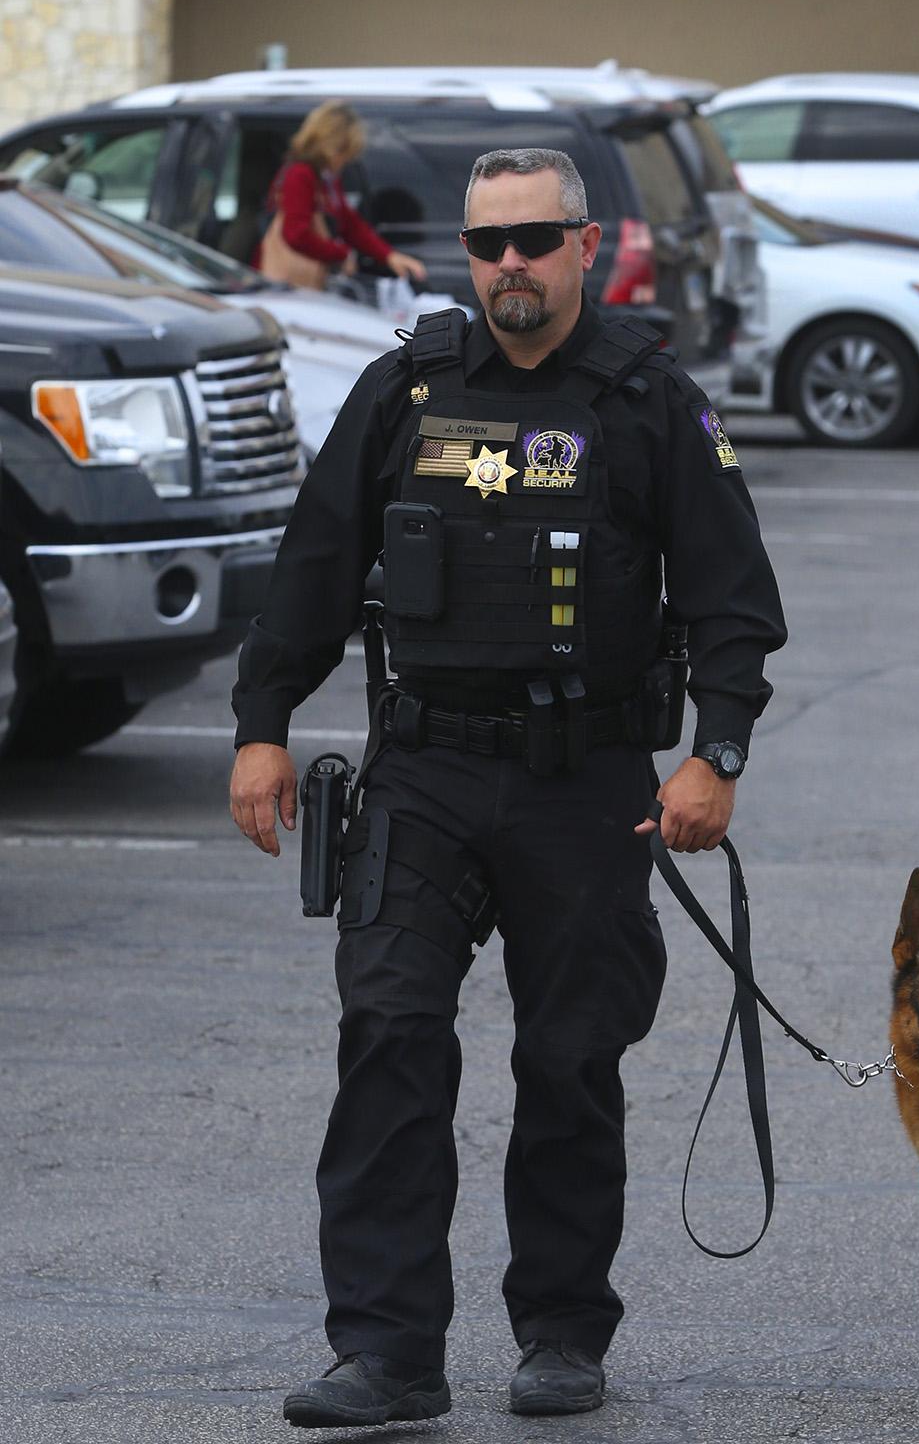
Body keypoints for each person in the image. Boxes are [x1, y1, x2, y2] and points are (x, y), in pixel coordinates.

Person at [229, 146, 786, 1428]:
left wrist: (716, 753)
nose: (510, 263)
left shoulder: (650, 400)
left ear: (585, 245)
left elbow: (732, 600)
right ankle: (386, 1353)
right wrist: (262, 724)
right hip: (423, 769)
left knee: (569, 1055)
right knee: (389, 1032)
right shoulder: (407, 386)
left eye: (535, 238)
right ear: (465, 255)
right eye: (487, 244)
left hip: (582, 780)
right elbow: (315, 565)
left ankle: (562, 1329)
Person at [259, 98, 427, 290]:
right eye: (345, 152)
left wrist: (388, 255)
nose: (346, 161)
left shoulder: (325, 178)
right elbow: (296, 235)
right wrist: (340, 254)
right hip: (287, 284)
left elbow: (348, 222)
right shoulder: (301, 175)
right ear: (333, 146)